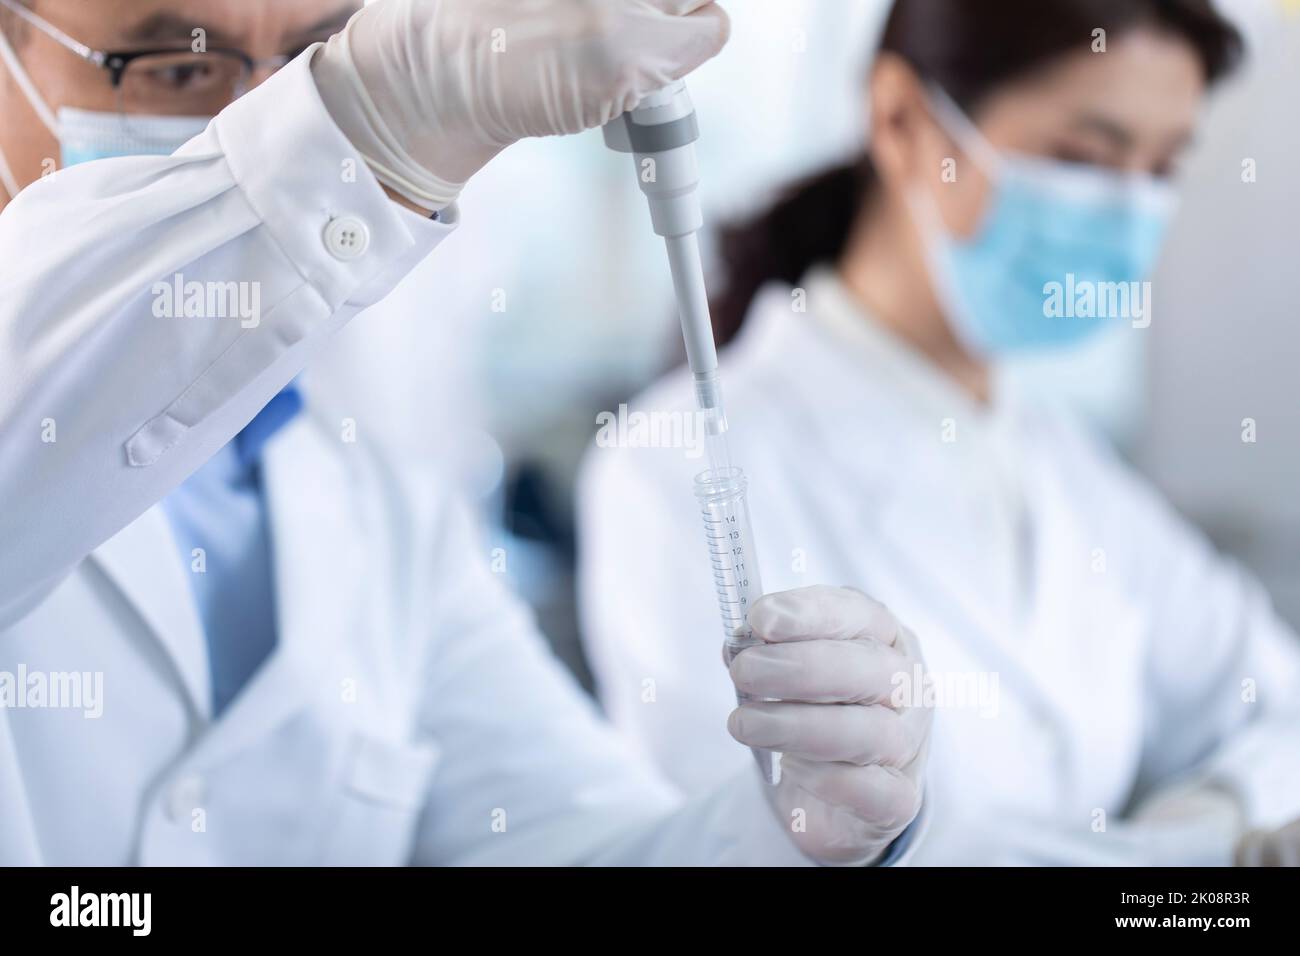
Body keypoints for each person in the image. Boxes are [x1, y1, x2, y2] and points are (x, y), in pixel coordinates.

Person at [0, 0, 932, 866]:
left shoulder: (383, 504)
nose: (259, 121)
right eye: (173, 69)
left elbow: (579, 846)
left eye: (308, 65)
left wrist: (793, 832)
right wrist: (369, 114)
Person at [577, 0, 1300, 866]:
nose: (1130, 212)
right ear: (903, 120)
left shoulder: (1059, 464)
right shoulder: (668, 467)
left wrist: (1217, 813)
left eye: (1160, 169)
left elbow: (1275, 702)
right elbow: (747, 843)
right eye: (1085, 157)